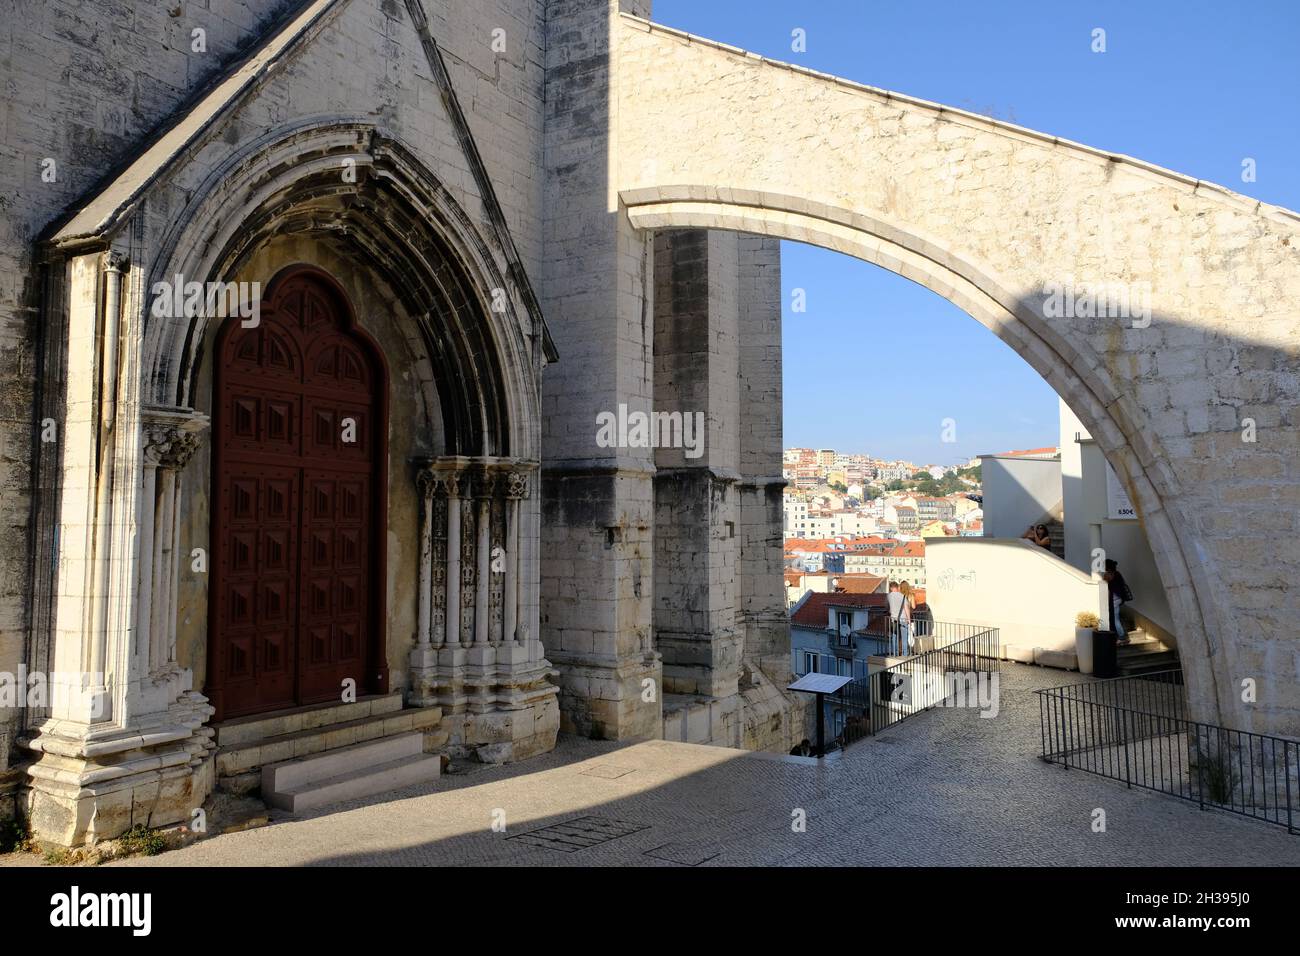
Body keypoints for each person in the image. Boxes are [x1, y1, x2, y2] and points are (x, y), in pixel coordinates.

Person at [1103, 558, 1134, 644]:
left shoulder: (1108, 575)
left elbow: (1106, 587)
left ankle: (1122, 636)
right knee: (1116, 618)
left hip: (1114, 600)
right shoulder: (1117, 574)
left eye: (1104, 565)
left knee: (1115, 619)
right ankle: (1120, 635)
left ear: (1107, 567)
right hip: (1119, 598)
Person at [886, 581, 906, 654]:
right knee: (904, 637)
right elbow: (906, 608)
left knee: (894, 636)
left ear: (891, 588)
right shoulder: (902, 596)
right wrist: (909, 620)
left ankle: (895, 652)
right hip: (903, 618)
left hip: (893, 619)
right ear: (897, 587)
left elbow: (887, 607)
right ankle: (905, 653)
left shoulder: (888, 596)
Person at [898, 581, 915, 654]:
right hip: (909, 618)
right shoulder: (911, 595)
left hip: (900, 617)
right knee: (910, 635)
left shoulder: (899, 595)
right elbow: (914, 606)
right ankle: (907, 652)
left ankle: (900, 651)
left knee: (901, 637)